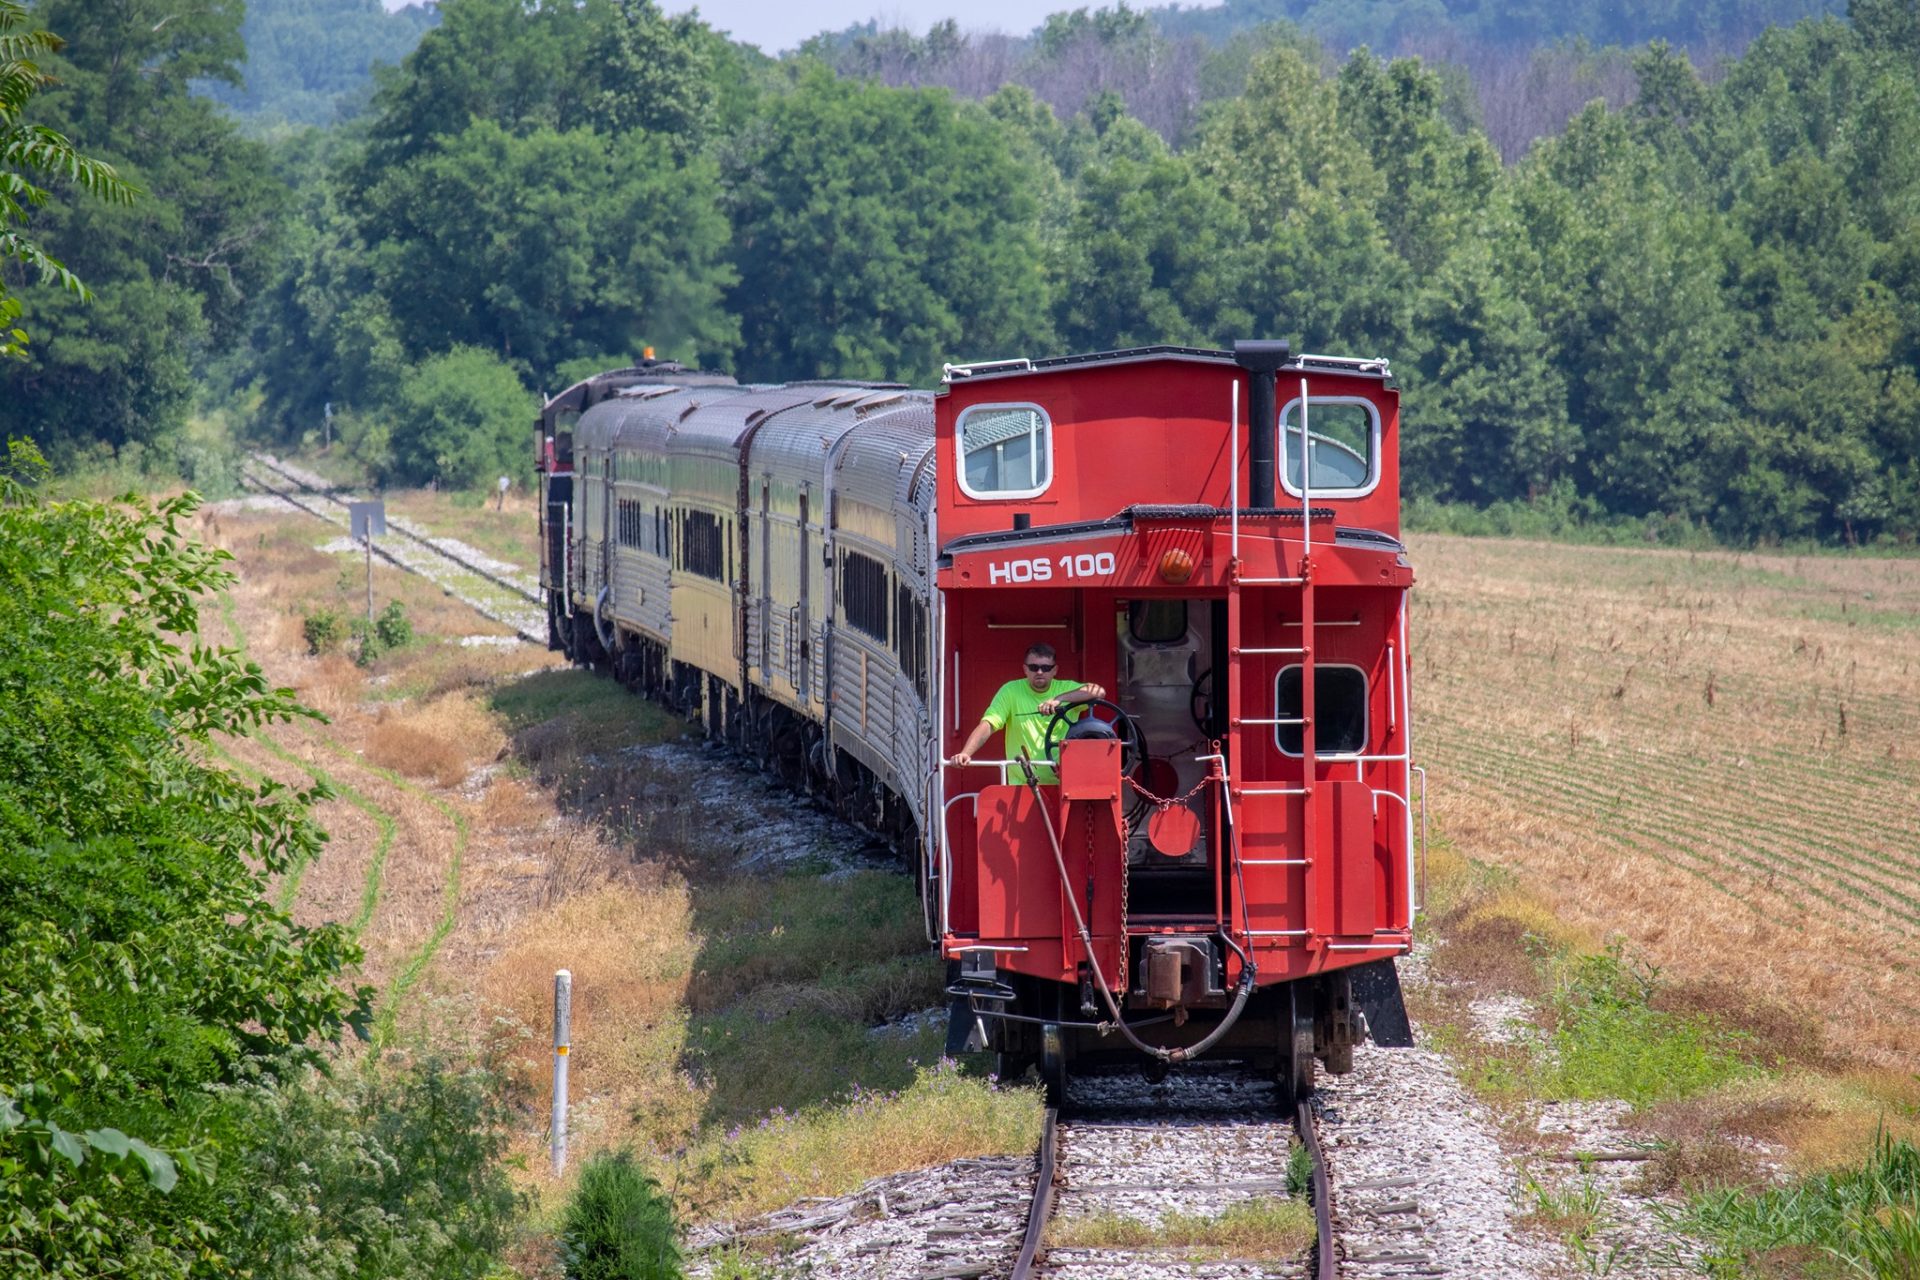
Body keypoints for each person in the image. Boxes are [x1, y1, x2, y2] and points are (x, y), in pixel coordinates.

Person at [950, 643, 1106, 783]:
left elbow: (1099, 692)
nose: (1039, 672)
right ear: (1025, 669)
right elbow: (988, 724)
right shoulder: (1010, 691)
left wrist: (1060, 699)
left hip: (1065, 784)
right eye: (1033, 667)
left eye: (1045, 668)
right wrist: (965, 753)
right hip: (1021, 785)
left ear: (1055, 670)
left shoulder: (1066, 688)